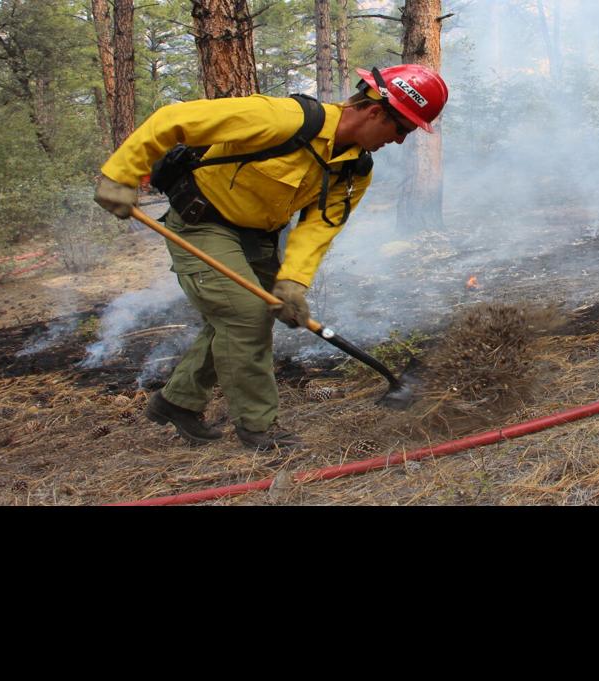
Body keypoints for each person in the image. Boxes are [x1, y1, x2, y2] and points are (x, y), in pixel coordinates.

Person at [93, 65, 448, 451]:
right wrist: (120, 175)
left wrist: (293, 282)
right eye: (402, 130)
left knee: (246, 316)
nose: (399, 142)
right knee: (243, 315)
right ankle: (258, 428)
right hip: (202, 222)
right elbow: (174, 119)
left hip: (260, 237)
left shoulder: (355, 170)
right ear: (376, 111)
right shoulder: (285, 118)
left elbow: (318, 228)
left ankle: (177, 401)